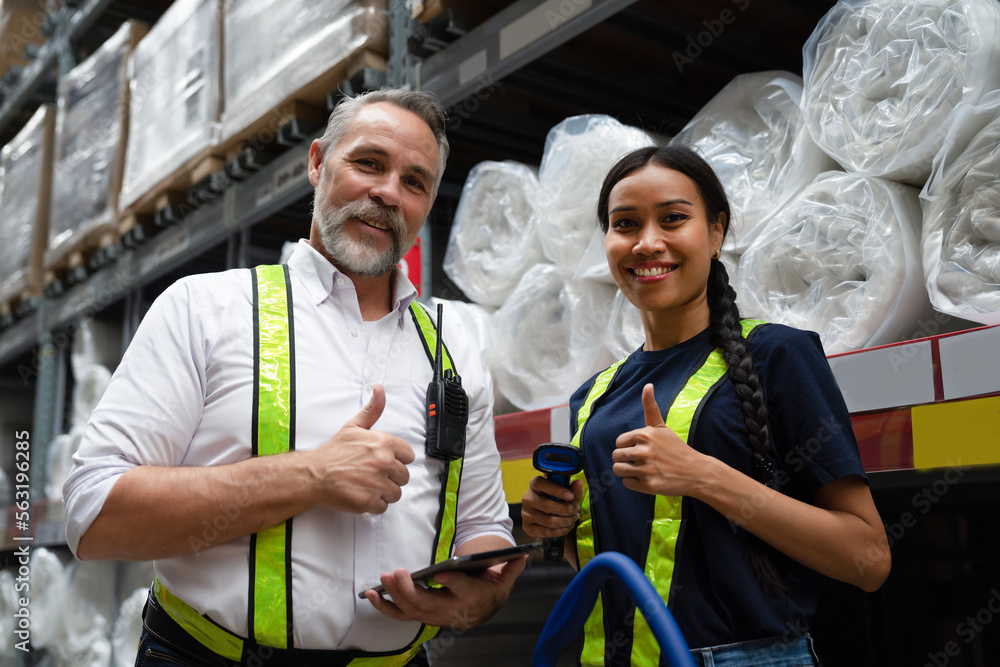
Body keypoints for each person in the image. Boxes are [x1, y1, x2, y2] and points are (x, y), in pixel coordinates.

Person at [63, 88, 523, 667]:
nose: (388, 193)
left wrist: (484, 591)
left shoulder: (454, 344)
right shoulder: (206, 309)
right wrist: (311, 475)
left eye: (415, 182)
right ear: (316, 163)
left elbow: (482, 525)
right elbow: (94, 517)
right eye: (369, 163)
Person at [521, 145, 891, 666]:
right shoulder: (593, 397)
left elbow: (869, 558)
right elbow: (626, 552)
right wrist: (557, 525)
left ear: (716, 233)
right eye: (625, 224)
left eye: (673, 219)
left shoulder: (778, 356)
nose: (647, 243)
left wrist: (703, 477)